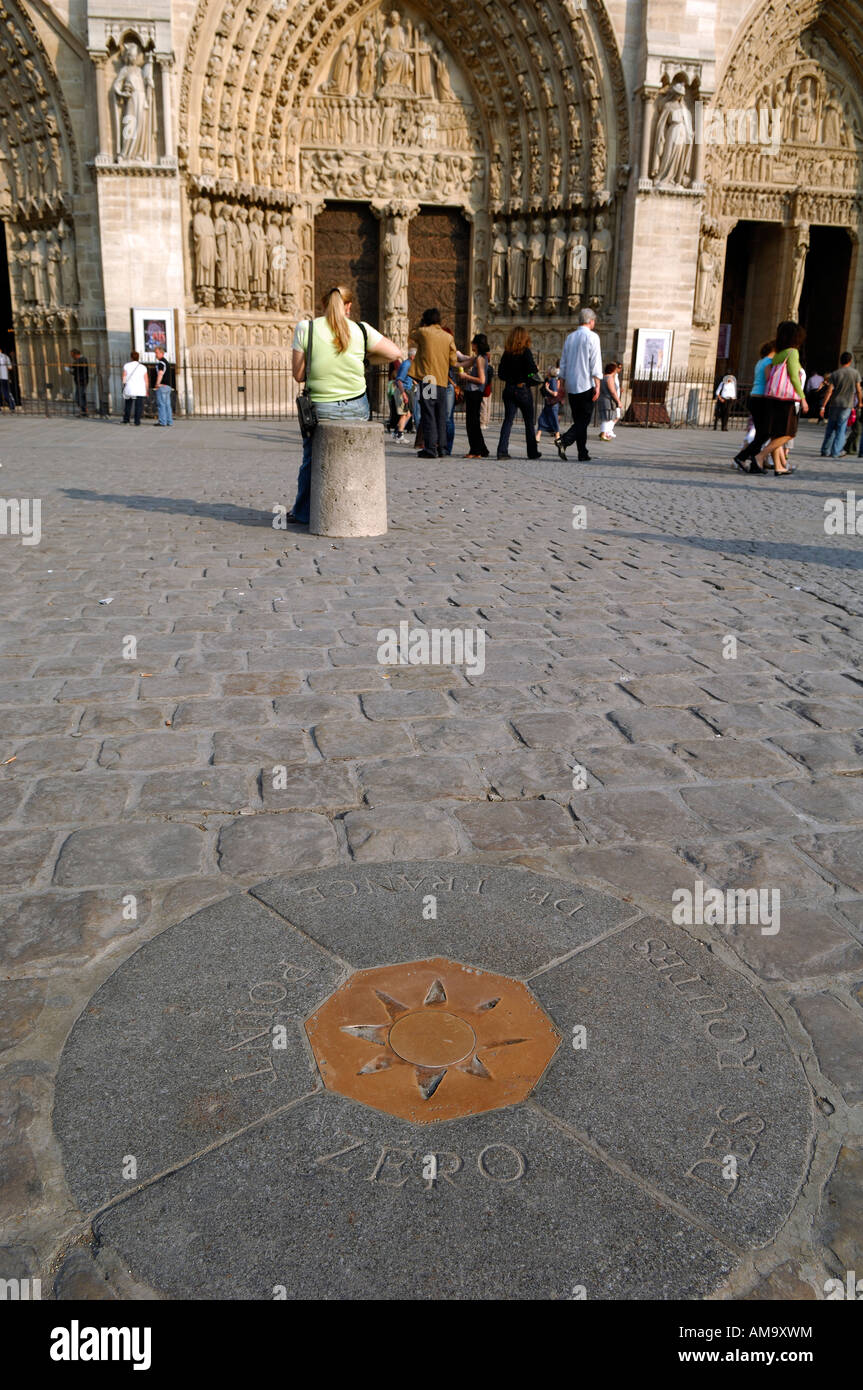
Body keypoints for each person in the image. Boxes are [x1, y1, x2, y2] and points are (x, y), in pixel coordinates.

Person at [288, 285, 401, 524]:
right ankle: (356, 508)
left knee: (311, 458)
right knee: (354, 456)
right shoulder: (362, 329)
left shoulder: (306, 328)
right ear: (349, 307)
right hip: (356, 406)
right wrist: (363, 358)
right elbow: (394, 353)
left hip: (321, 408)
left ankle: (302, 512)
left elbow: (298, 375)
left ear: (322, 305)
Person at [751, 320, 809, 476]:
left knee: (777, 433)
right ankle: (760, 456)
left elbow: (769, 373)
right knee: (789, 433)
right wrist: (802, 398)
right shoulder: (792, 352)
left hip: (773, 397)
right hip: (786, 399)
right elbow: (794, 377)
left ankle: (778, 466)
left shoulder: (778, 355)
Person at [409, 308, 458, 459]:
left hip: (428, 380)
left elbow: (412, 334)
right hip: (442, 381)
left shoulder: (424, 332)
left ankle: (430, 448)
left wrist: (421, 324)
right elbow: (454, 360)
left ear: (426, 320)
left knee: (428, 414)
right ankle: (442, 448)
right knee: (441, 415)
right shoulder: (448, 337)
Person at [556, 307, 602, 462]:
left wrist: (562, 383)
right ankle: (565, 440)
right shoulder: (592, 337)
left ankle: (582, 452)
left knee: (579, 421)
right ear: (590, 321)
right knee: (584, 420)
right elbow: (595, 362)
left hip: (572, 384)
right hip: (586, 383)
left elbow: (563, 362)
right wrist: (598, 384)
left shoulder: (570, 337)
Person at [495, 327, 542, 461]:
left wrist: (511, 378)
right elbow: (532, 371)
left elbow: (501, 374)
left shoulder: (507, 353)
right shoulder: (525, 352)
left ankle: (502, 451)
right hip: (522, 389)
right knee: (528, 422)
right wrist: (528, 376)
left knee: (508, 420)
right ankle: (532, 452)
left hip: (509, 389)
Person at [733, 340, 774, 472]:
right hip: (762, 398)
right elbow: (769, 380)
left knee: (762, 433)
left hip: (754, 397)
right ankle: (742, 456)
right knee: (765, 433)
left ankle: (755, 464)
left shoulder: (760, 362)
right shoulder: (768, 362)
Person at [819, 352, 862, 459]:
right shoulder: (855, 373)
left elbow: (829, 391)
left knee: (830, 427)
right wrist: (860, 402)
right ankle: (836, 451)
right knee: (841, 428)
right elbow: (858, 390)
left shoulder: (835, 373)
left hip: (834, 404)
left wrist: (823, 405)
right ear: (850, 360)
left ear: (840, 360)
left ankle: (825, 450)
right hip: (847, 404)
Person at [459, 332, 490, 458]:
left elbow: (481, 380)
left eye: (473, 342)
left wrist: (466, 376)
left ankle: (476, 450)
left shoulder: (481, 359)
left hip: (475, 392)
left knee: (472, 423)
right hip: (473, 392)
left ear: (476, 345)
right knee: (472, 422)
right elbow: (461, 363)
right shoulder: (478, 357)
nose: (471, 344)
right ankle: (481, 449)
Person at [121, 349, 149, 425]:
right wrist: (146, 390)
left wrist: (124, 384)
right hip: (140, 389)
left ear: (131, 357)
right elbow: (146, 380)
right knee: (138, 406)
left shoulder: (126, 365)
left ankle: (126, 420)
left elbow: (124, 377)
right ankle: (137, 421)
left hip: (129, 388)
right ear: (138, 357)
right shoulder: (143, 367)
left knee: (128, 405)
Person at [536, 364, 561, 445]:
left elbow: (555, 394)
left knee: (554, 421)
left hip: (553, 405)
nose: (546, 371)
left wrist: (547, 389)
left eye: (547, 370)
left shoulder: (553, 381)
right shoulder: (548, 380)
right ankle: (538, 436)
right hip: (548, 404)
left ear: (550, 372)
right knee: (542, 419)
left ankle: (557, 437)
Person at [386, 363, 412, 441]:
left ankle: (397, 432)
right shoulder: (406, 365)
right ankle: (399, 434)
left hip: (403, 393)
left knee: (407, 414)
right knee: (405, 414)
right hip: (402, 393)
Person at [598, 361, 621, 440]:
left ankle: (604, 432)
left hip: (603, 399)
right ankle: (604, 434)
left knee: (608, 417)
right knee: (607, 417)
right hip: (608, 400)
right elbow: (612, 391)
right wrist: (618, 401)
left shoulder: (603, 377)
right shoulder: (609, 378)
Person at [152, 345, 175, 426]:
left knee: (161, 404)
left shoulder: (161, 363)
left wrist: (157, 383)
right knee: (167, 405)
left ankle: (162, 421)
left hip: (162, 386)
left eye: (157, 353)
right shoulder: (167, 363)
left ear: (162, 353)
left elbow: (160, 373)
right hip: (168, 386)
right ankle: (169, 421)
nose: (155, 354)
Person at [69, 348, 89, 417]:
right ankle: (83, 411)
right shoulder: (79, 360)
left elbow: (79, 369)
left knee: (79, 397)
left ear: (76, 354)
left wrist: (72, 367)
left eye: (72, 356)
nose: (72, 357)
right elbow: (77, 370)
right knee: (80, 396)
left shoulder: (82, 360)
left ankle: (84, 411)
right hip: (79, 380)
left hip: (82, 381)